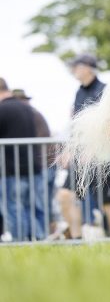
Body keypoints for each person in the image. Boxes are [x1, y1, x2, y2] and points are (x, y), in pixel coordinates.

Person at [57, 54, 110, 238]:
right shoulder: (78, 92)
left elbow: (108, 122)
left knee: (107, 202)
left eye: (77, 66)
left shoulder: (105, 90)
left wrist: (94, 149)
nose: (74, 70)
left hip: (101, 154)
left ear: (89, 67)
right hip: (80, 155)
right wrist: (68, 149)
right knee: (64, 196)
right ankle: (77, 239)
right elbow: (75, 123)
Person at [0, 78, 46, 241]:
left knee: (14, 208)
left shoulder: (2, 109)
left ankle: (19, 242)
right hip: (32, 167)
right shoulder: (26, 108)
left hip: (11, 169)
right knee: (31, 208)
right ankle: (40, 239)